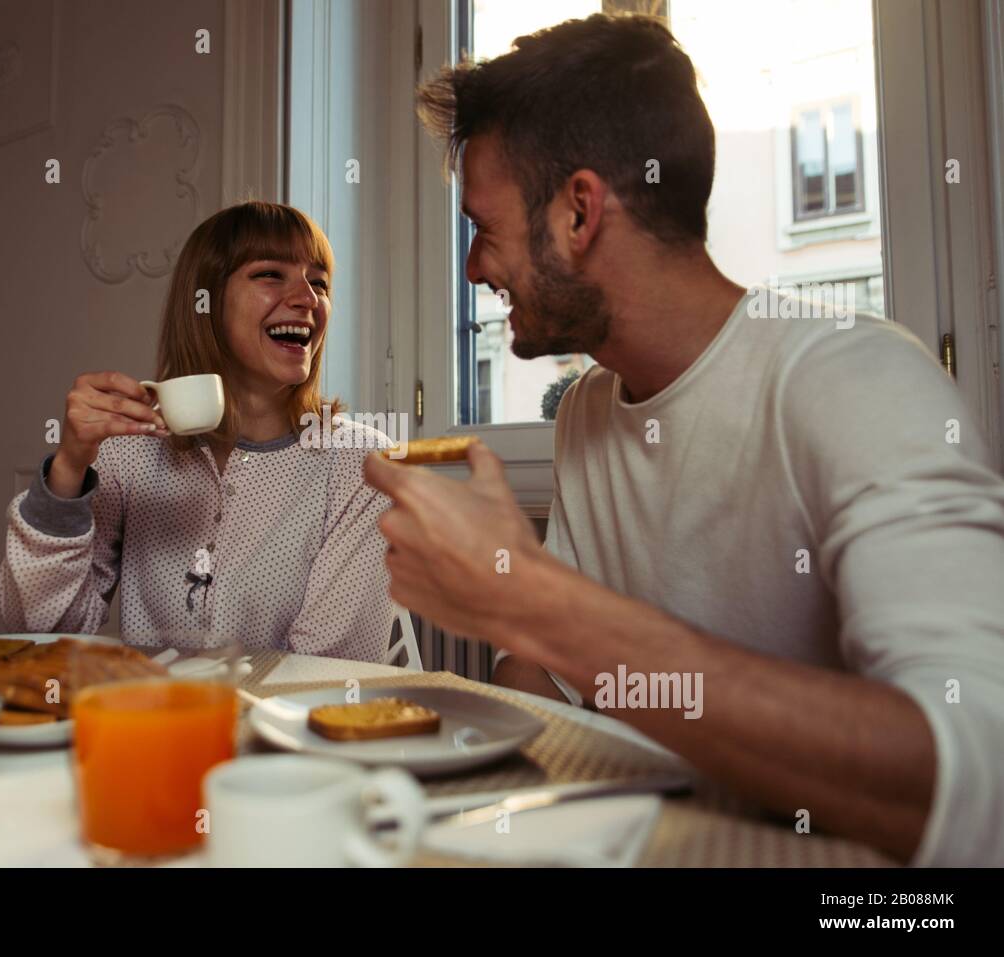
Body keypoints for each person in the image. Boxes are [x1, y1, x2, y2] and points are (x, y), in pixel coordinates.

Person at [365, 14, 1004, 865]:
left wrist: (529, 598)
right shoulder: (590, 409)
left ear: (579, 212)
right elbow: (549, 680)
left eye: (483, 227)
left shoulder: (855, 380)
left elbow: (978, 774)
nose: (475, 268)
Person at [0, 201, 394, 662]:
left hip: (274, 732)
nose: (308, 298)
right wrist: (69, 468)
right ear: (205, 301)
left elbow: (324, 673)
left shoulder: (364, 466)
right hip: (146, 723)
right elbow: (42, 632)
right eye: (270, 274)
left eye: (319, 282)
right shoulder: (127, 452)